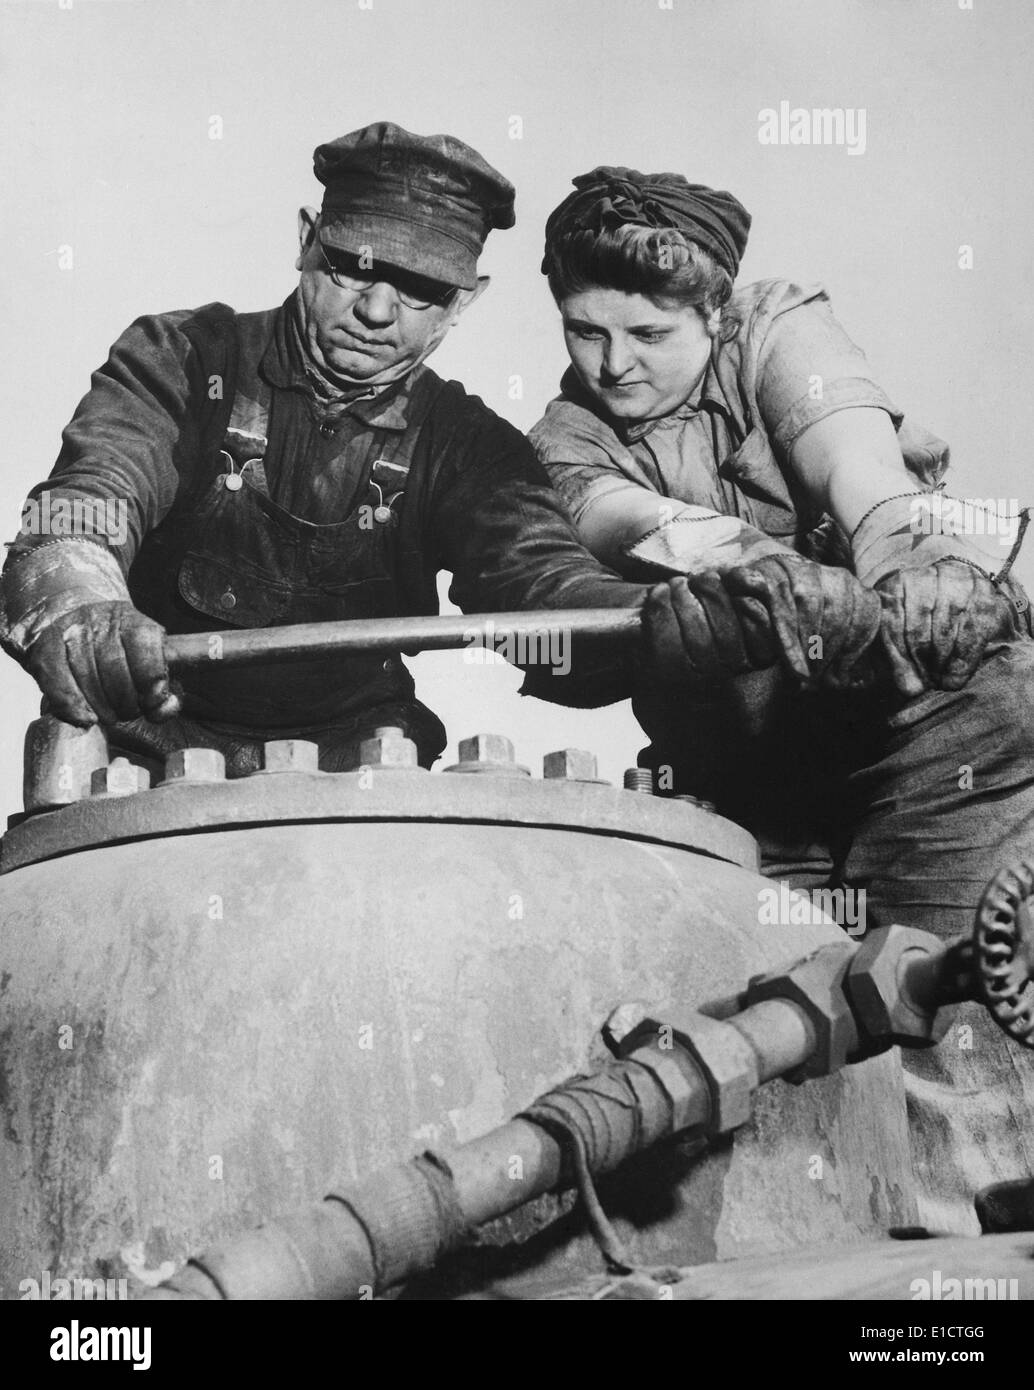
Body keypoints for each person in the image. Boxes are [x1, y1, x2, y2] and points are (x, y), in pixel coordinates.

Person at [529, 165, 1034, 1232]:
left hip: (933, 739)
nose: (613, 364)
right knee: (789, 1052)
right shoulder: (565, 436)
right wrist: (757, 565)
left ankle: (970, 1281)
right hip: (758, 781)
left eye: (648, 334)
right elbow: (627, 519)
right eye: (584, 330)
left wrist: (916, 565)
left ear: (712, 314)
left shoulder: (775, 328)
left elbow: (864, 476)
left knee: (958, 1020)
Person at [0, 124, 744, 777]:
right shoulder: (183, 359)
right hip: (144, 756)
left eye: (420, 289)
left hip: (362, 772)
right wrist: (79, 602)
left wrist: (656, 618)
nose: (377, 311)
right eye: (353, 266)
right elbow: (90, 497)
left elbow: (540, 588)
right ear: (306, 239)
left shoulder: (470, 447)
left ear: (465, 299)